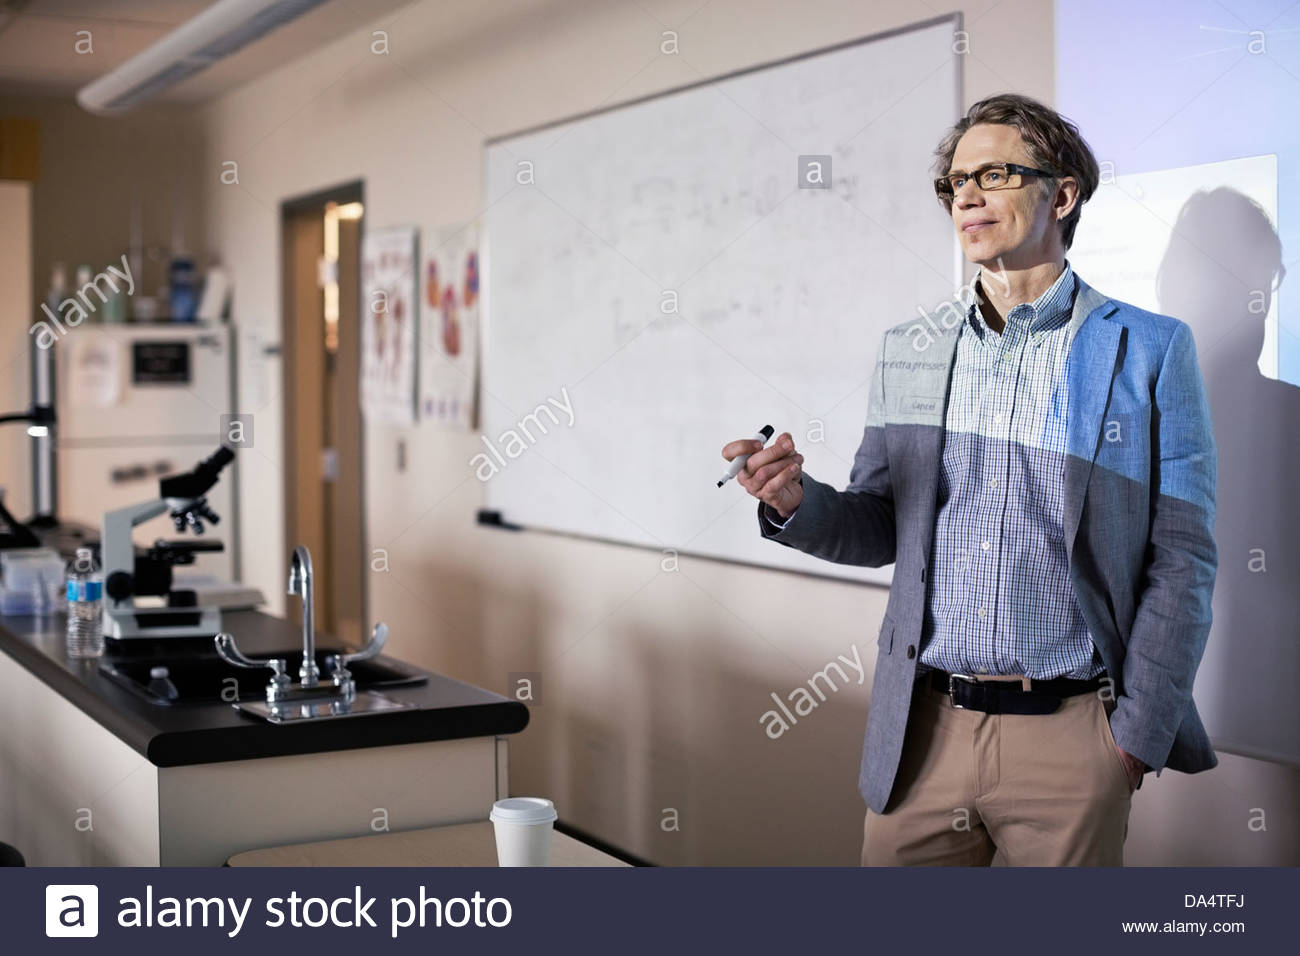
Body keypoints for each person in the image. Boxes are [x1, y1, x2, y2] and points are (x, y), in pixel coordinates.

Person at [723, 93, 1218, 866]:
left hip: (1074, 738)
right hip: (925, 732)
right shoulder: (910, 349)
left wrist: (1129, 741)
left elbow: (1183, 557)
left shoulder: (1151, 350)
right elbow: (882, 524)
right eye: (956, 182)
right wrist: (793, 499)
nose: (968, 195)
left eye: (994, 173)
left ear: (1062, 193)